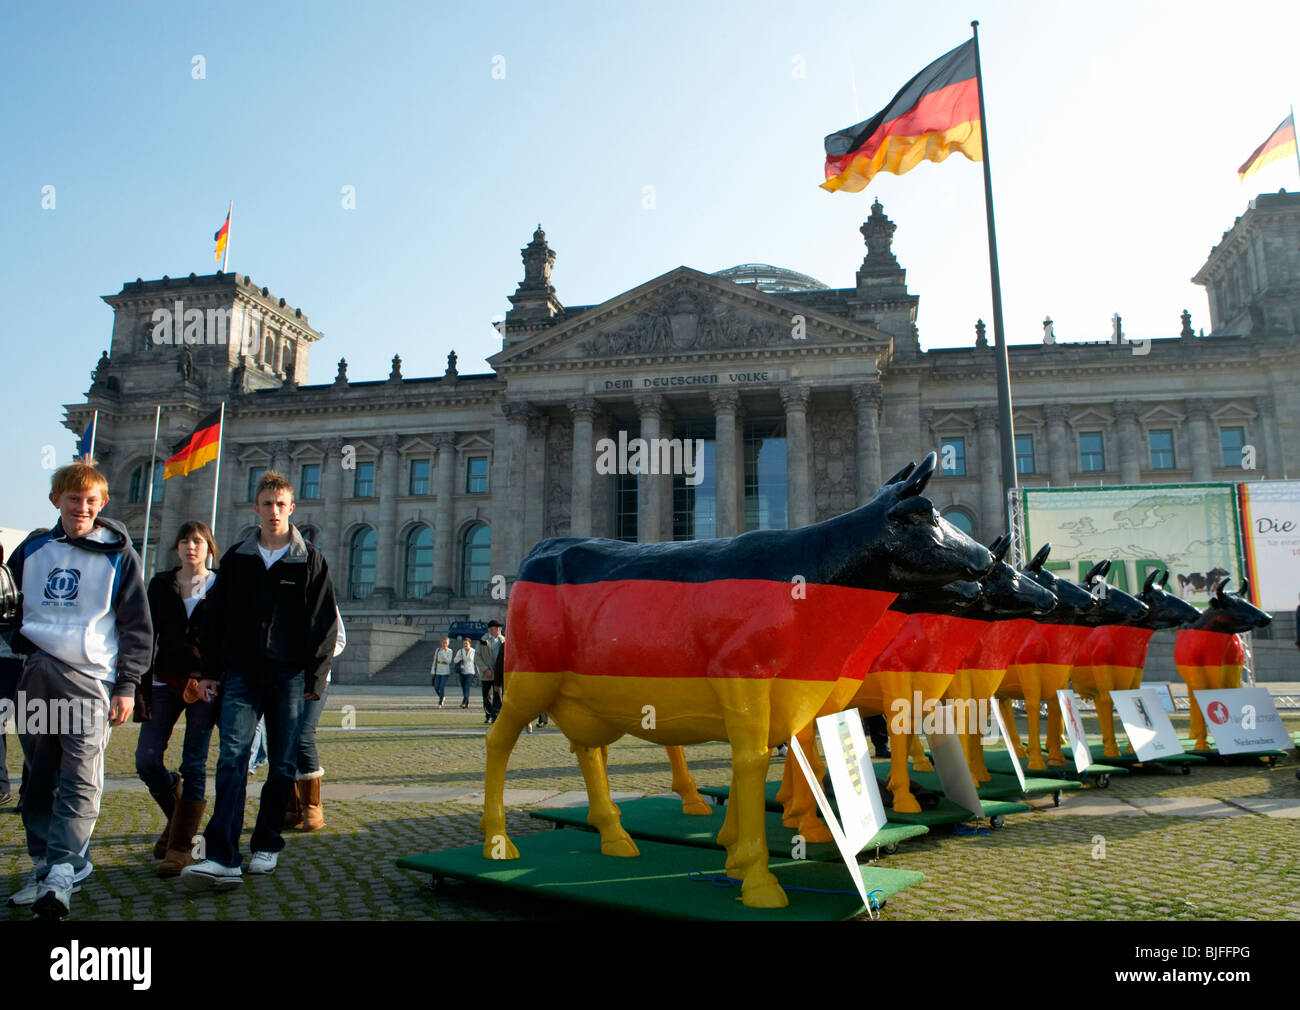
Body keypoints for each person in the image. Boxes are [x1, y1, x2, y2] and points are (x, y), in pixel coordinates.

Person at [180, 470, 338, 890]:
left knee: (283, 762)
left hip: (288, 676)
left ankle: (267, 841)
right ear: (257, 508)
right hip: (241, 674)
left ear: (292, 508)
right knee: (232, 757)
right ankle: (222, 855)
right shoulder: (236, 558)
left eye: (280, 505)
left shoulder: (310, 560)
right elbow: (214, 618)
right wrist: (211, 672)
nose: (273, 512)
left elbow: (324, 624)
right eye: (266, 504)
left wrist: (315, 678)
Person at [6, 463, 151, 919]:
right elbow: (8, 607)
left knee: (80, 776)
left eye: (90, 500)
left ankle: (64, 872)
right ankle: (44, 863)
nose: (81, 508)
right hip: (37, 675)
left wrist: (127, 685)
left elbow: (136, 626)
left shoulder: (119, 555)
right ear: (56, 501)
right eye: (73, 499)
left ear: (102, 504)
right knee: (38, 778)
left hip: (90, 680)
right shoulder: (31, 548)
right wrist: (17, 644)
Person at [134, 521, 221, 877]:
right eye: (184, 541)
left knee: (194, 763)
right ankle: (178, 823)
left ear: (209, 548)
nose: (190, 547)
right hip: (163, 680)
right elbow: (143, 632)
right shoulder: (159, 584)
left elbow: (227, 636)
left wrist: (213, 676)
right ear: (176, 548)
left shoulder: (222, 586)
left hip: (204, 685)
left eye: (197, 541)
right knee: (147, 760)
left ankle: (181, 847)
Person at [284, 607, 345, 832]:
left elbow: (339, 640)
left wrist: (315, 657)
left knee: (303, 736)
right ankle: (293, 807)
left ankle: (312, 806)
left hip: (315, 677)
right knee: (283, 738)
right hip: (282, 676)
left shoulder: (321, 595)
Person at [475, 633, 500, 725]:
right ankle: (488, 714)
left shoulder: (503, 640)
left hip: (498, 673)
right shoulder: (483, 640)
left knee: (497, 695)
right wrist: (485, 669)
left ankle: (496, 715)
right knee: (486, 696)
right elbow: (477, 656)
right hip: (486, 673)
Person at [453, 636, 476, 711]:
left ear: (470, 644)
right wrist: (460, 658)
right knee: (463, 688)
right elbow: (455, 660)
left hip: (470, 672)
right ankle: (466, 702)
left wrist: (463, 657)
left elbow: (470, 659)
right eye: (464, 643)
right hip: (462, 672)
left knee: (467, 687)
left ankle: (464, 702)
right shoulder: (460, 651)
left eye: (466, 643)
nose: (465, 645)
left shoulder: (473, 651)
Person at [431, 636, 452, 707]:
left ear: (448, 643)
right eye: (443, 642)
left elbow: (448, 661)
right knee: (436, 687)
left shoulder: (450, 651)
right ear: (441, 643)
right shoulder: (437, 650)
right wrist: (433, 670)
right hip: (438, 671)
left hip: (445, 672)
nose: (444, 644)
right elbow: (435, 660)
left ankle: (440, 702)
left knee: (442, 686)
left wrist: (443, 653)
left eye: (446, 643)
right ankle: (442, 697)